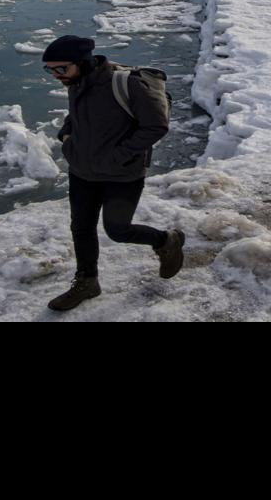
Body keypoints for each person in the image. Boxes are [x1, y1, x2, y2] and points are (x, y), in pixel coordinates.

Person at [41, 35, 185, 313]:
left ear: (81, 62)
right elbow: (76, 115)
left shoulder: (127, 83)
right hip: (82, 171)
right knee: (81, 227)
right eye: (50, 70)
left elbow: (156, 126)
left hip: (122, 174)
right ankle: (87, 282)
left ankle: (166, 240)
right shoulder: (77, 81)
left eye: (61, 69)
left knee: (118, 230)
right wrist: (67, 136)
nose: (56, 76)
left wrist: (117, 157)